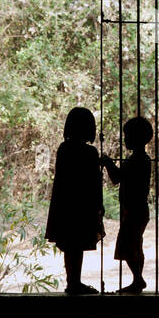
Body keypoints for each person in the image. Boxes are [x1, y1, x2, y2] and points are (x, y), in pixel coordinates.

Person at [45, 106, 104, 294]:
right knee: (77, 245)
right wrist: (99, 204)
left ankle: (73, 282)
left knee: (70, 245)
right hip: (83, 205)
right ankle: (74, 283)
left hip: (65, 204)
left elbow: (62, 180)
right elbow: (95, 183)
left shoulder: (64, 149)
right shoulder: (90, 153)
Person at [101, 117, 153, 294]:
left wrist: (108, 162)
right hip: (138, 209)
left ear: (136, 138)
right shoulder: (141, 159)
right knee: (134, 244)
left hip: (134, 210)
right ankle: (137, 279)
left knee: (129, 244)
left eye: (127, 135)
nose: (125, 139)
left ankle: (138, 280)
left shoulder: (136, 160)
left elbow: (116, 178)